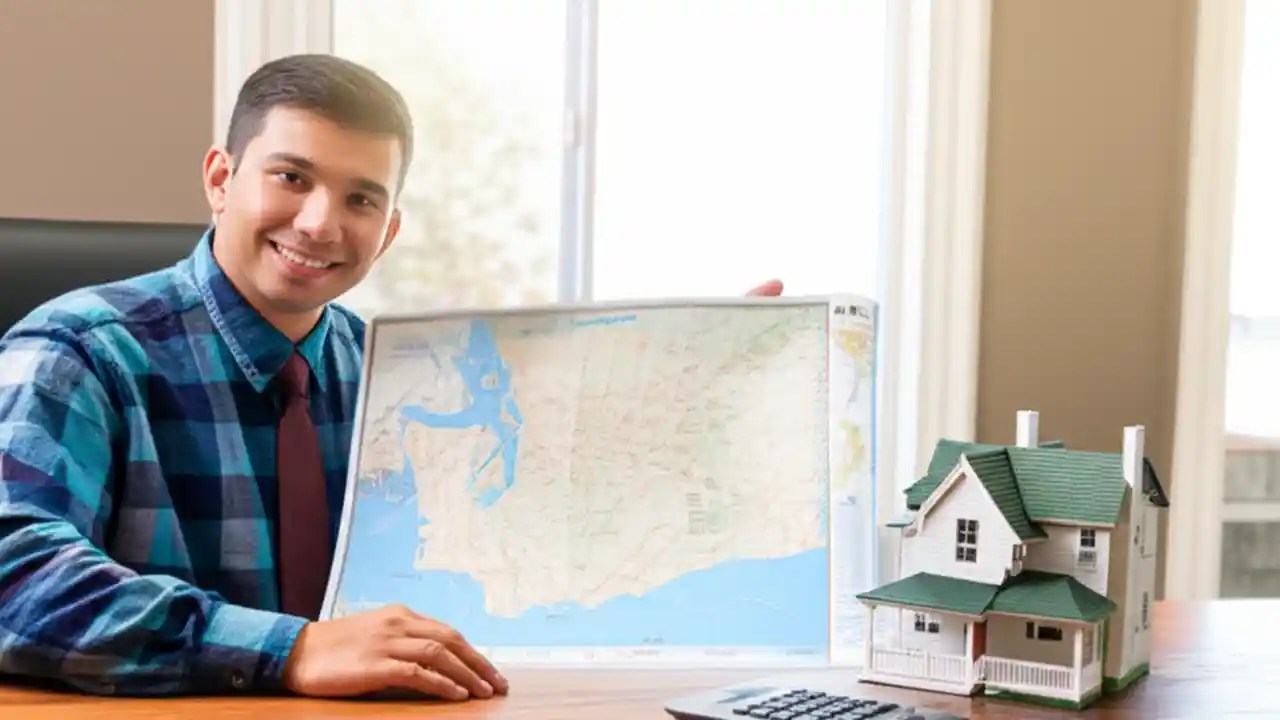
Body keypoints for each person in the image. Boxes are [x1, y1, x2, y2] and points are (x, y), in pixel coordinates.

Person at [0, 54, 782, 701]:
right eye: (291, 177)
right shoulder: (79, 352)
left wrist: (694, 376)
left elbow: (539, 514)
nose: (319, 222)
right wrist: (292, 649)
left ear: (390, 231)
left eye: (361, 198)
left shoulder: (399, 375)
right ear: (219, 178)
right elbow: (15, 577)